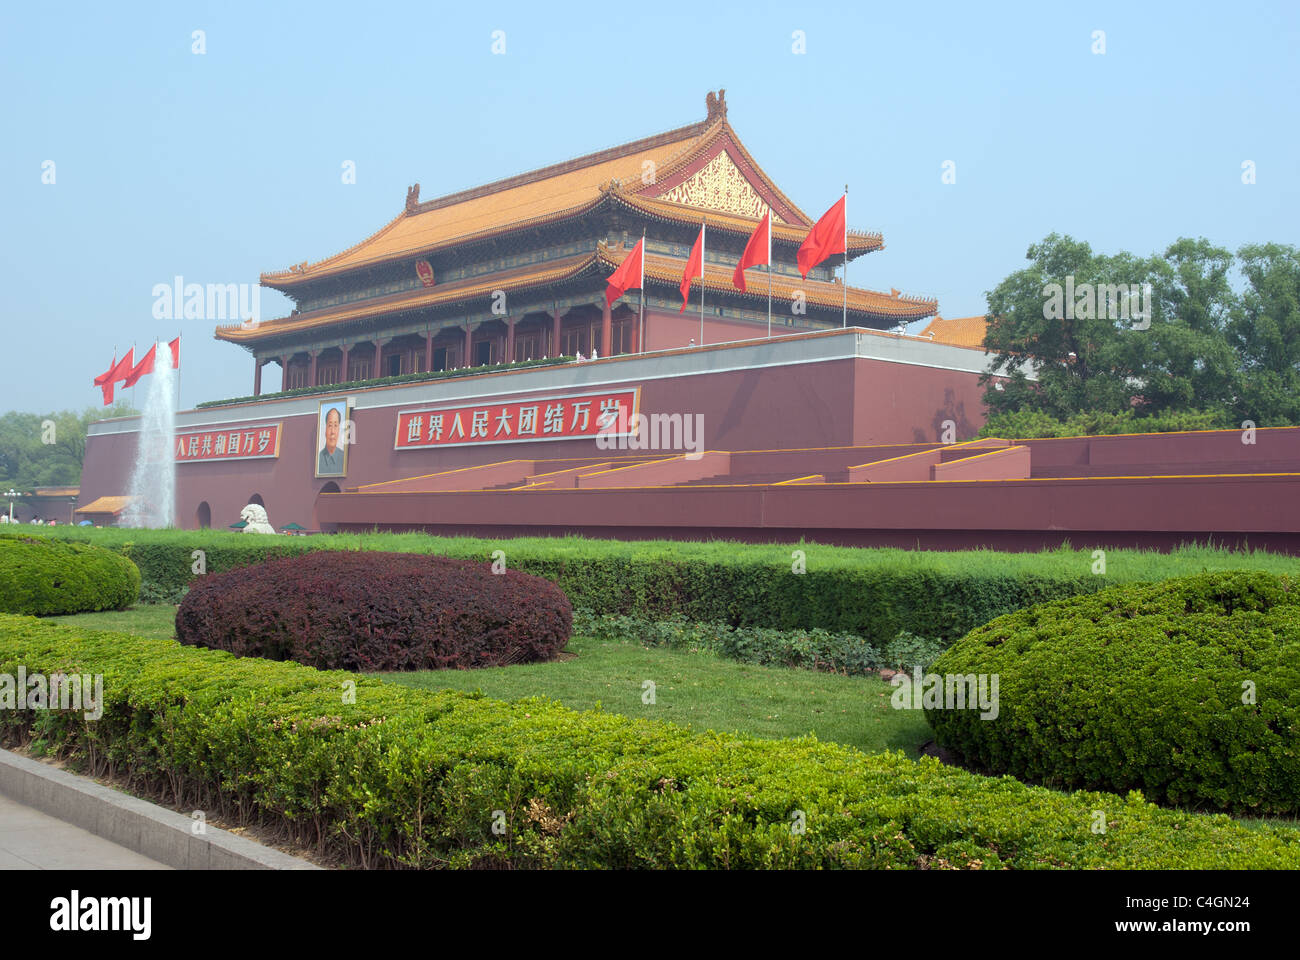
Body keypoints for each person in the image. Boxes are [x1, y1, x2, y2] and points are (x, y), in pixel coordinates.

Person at [318, 406, 345, 474]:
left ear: (339, 430)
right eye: (330, 425)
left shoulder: (344, 458)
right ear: (325, 429)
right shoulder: (318, 459)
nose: (332, 432)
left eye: (335, 426)